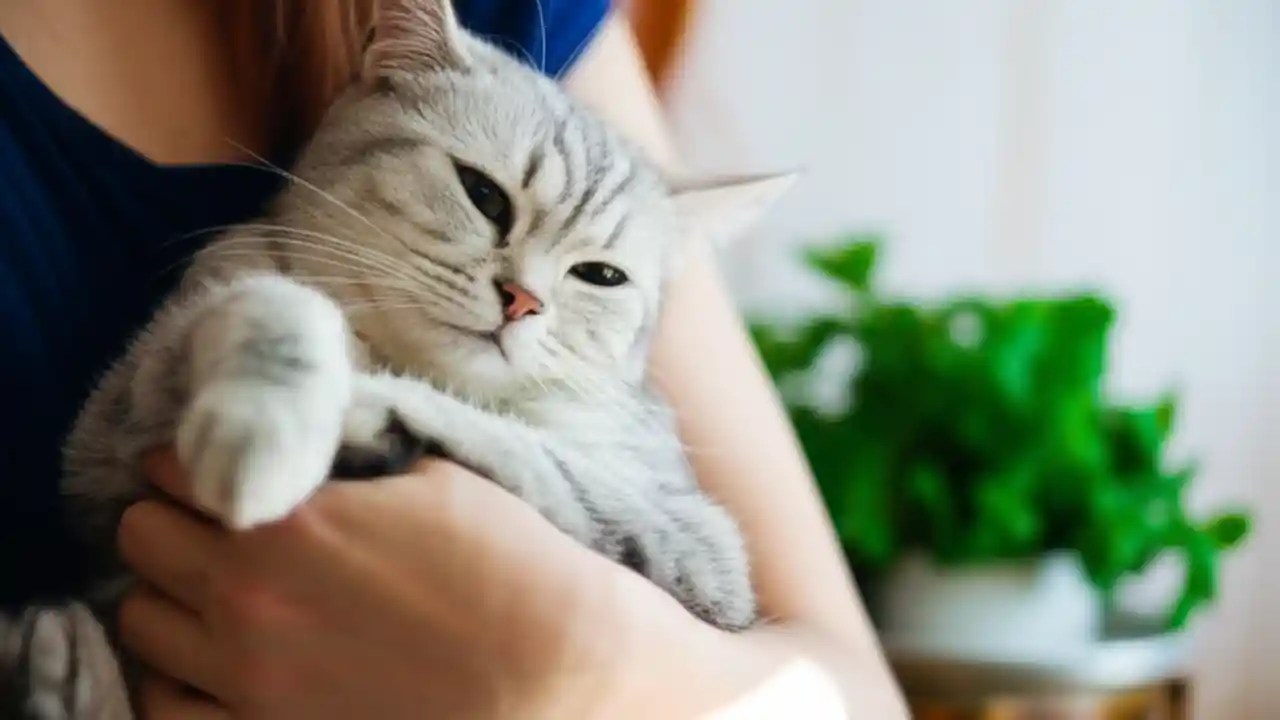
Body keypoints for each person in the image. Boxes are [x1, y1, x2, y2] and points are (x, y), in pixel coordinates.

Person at [0, 0, 908, 716]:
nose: (526, 294)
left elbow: (825, 681)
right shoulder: (256, 277)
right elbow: (103, 482)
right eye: (487, 197)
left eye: (597, 274)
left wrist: (579, 665)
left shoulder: (614, 429)